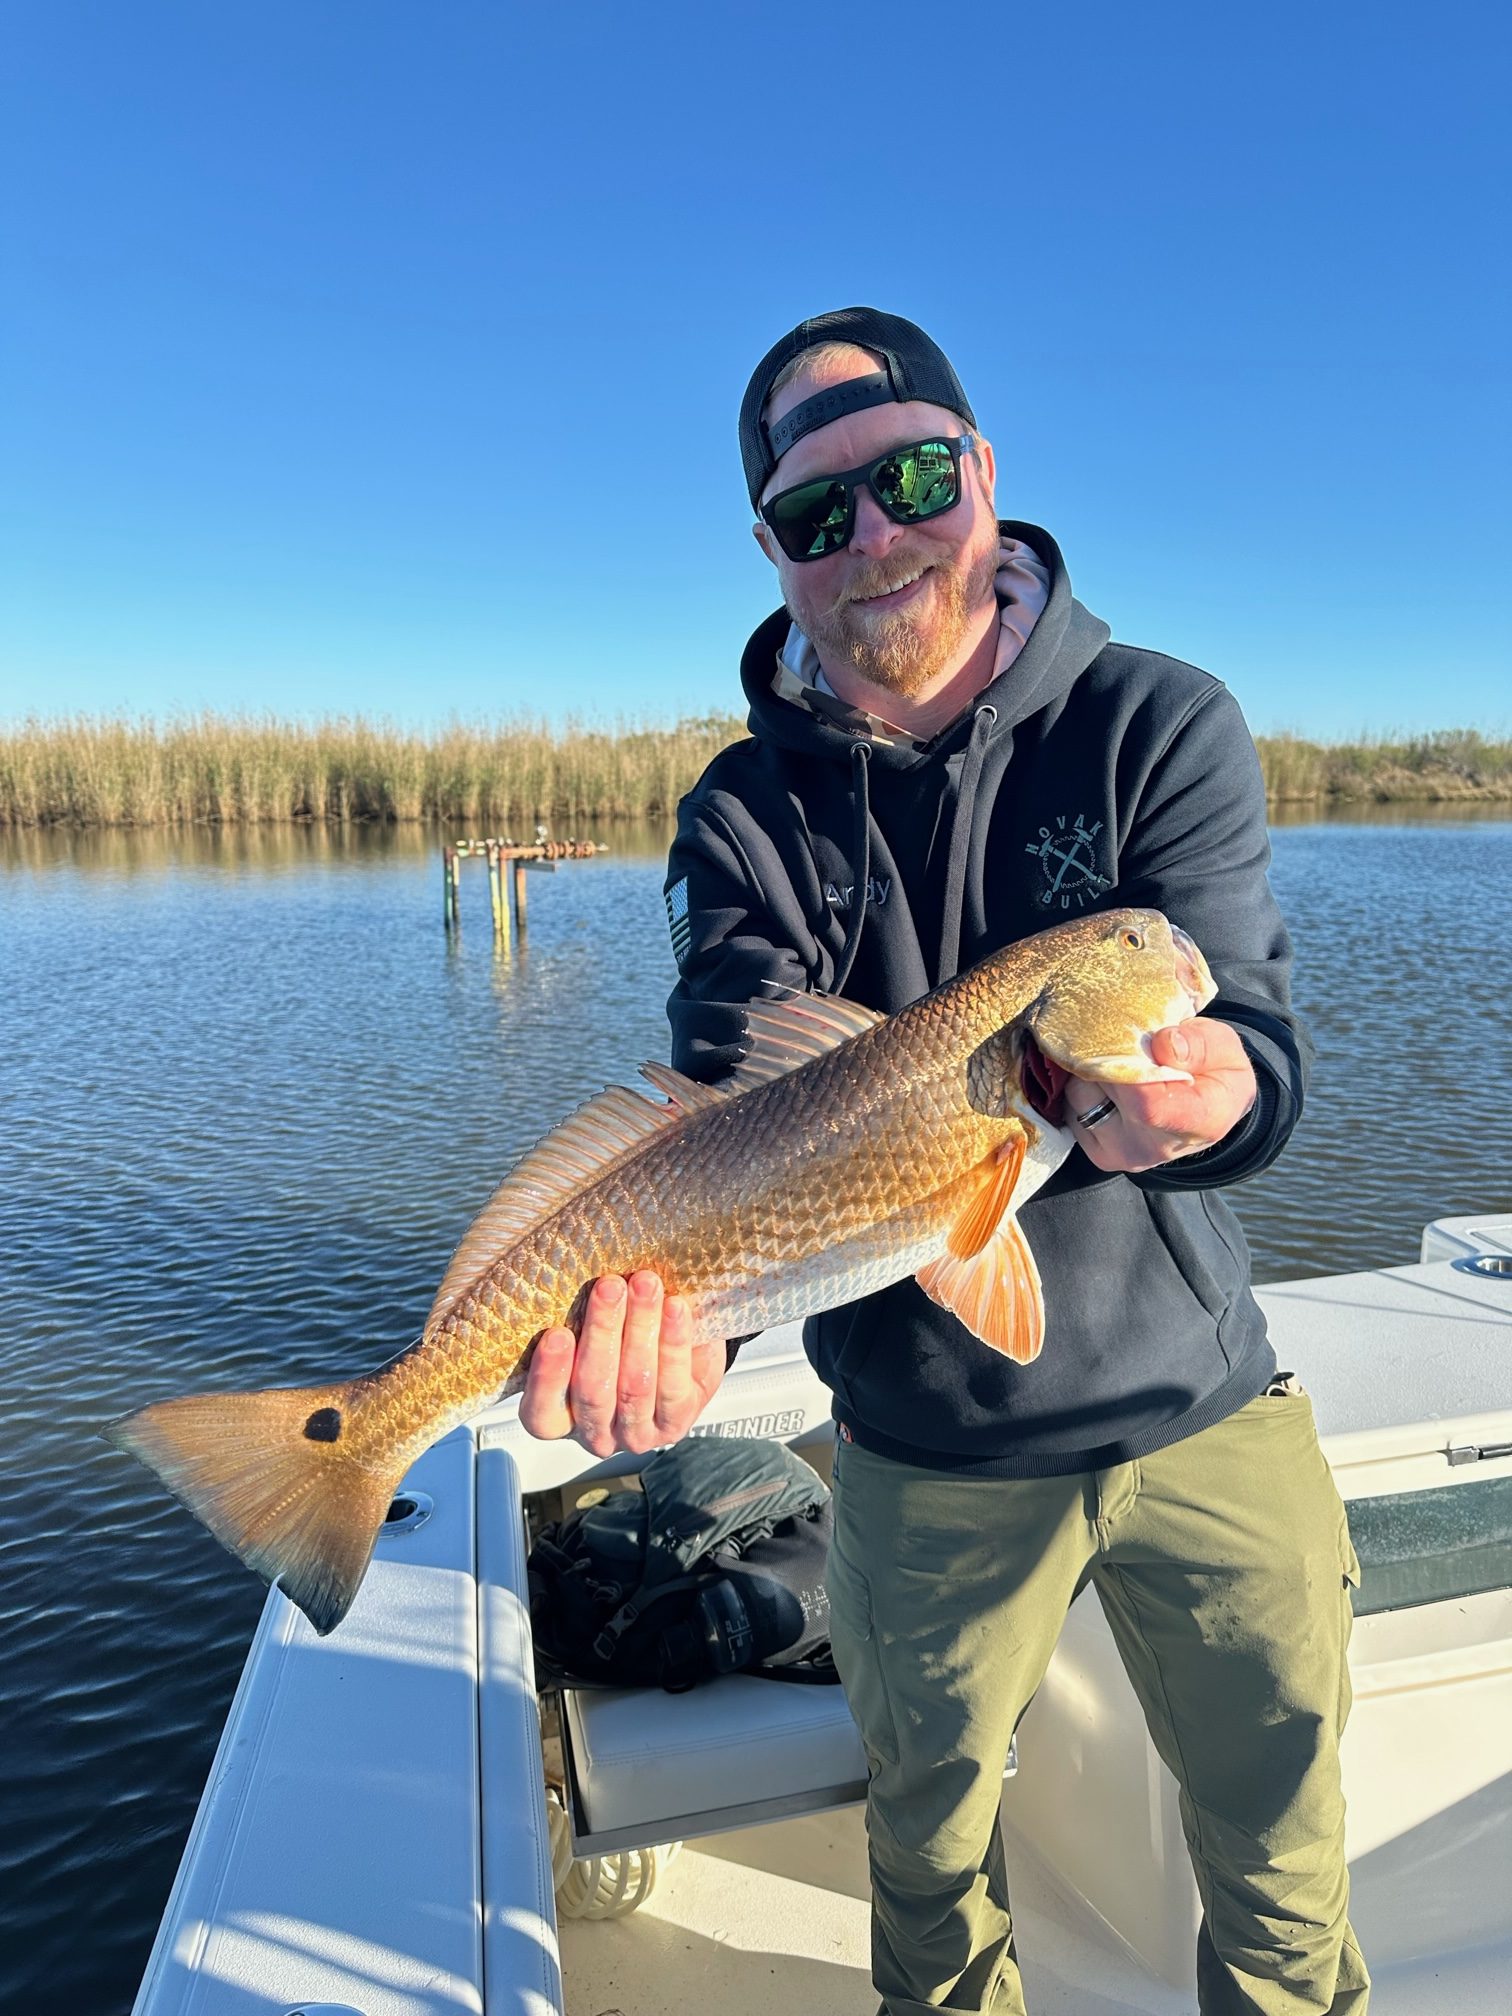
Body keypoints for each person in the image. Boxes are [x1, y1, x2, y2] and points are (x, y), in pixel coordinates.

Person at [520, 307, 1368, 2015]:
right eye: (817, 512)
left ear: (980, 473)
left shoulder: (1156, 720)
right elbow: (734, 1099)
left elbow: (1249, 1031)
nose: (875, 537)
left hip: (1199, 1408)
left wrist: (1219, 1096)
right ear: (772, 548)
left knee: (1286, 1871)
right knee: (929, 1867)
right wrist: (686, 1329)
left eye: (907, 477)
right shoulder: (739, 813)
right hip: (913, 1449)